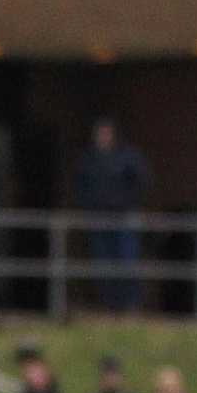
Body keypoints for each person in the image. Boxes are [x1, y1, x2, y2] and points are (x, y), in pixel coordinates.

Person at [72, 119, 151, 314]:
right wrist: (87, 208)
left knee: (128, 261)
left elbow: (143, 182)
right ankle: (108, 305)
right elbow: (79, 186)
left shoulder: (129, 157)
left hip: (124, 217)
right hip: (98, 218)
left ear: (114, 135)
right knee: (102, 263)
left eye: (107, 133)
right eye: (100, 133)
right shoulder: (88, 159)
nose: (103, 137)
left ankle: (131, 305)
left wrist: (130, 203)